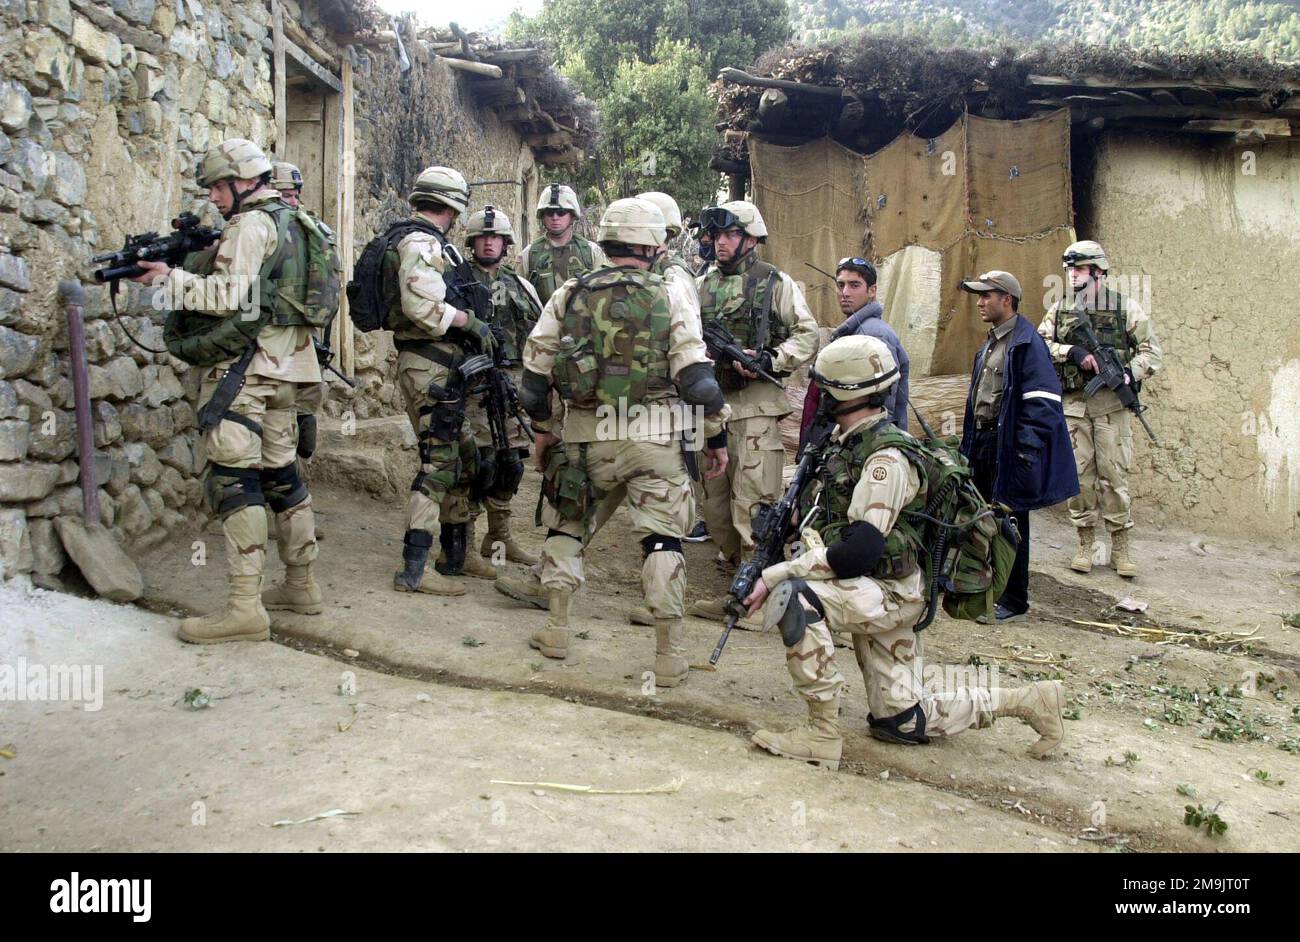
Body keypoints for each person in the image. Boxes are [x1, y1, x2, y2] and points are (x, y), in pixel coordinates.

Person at [743, 335, 1067, 767]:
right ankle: (1029, 700)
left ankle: (820, 733)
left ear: (846, 393)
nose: (816, 398)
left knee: (796, 597)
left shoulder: (886, 458)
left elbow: (858, 552)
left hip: (891, 592)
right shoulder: (844, 443)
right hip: (876, 586)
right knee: (901, 722)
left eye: (823, 389)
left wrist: (778, 573)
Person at [496, 197, 730, 687]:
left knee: (568, 526)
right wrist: (716, 436)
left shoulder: (569, 292)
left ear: (603, 241)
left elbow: (534, 380)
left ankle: (556, 631)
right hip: (655, 435)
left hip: (588, 433)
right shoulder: (671, 292)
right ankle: (667, 657)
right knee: (663, 538)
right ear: (654, 245)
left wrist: (543, 432)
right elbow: (698, 381)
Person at [131, 139, 329, 642]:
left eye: (220, 186)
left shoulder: (250, 224)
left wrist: (167, 279)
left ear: (245, 182)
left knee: (232, 479)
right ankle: (301, 585)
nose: (215, 197)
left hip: (247, 372)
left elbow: (224, 297)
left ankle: (244, 610)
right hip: (293, 370)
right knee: (284, 475)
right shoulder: (298, 222)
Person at [688, 200, 819, 622]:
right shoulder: (699, 284)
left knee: (754, 502)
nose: (720, 243)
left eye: (729, 235)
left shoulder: (774, 283)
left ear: (750, 239)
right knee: (713, 502)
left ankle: (753, 602)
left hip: (756, 407)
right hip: (710, 407)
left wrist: (769, 359)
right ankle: (738, 573)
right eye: (717, 235)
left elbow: (806, 332)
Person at [385, 166, 500, 596]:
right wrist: (470, 322)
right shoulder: (420, 242)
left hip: (440, 367)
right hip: (429, 366)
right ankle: (415, 568)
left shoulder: (428, 241)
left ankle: (456, 555)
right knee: (438, 463)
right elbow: (421, 307)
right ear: (451, 206)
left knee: (463, 459)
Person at [958, 271, 1079, 623]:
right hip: (983, 442)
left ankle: (1013, 599)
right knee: (982, 517)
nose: (980, 302)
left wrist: (1024, 452)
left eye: (986, 296)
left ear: (1006, 299)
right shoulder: (992, 343)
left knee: (1010, 522)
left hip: (1006, 445)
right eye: (979, 296)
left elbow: (1042, 403)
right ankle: (982, 588)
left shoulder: (1027, 343)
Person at [1038, 240, 1163, 578]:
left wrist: (1126, 373)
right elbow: (1040, 345)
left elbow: (1152, 353)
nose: (1072, 275)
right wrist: (1072, 353)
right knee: (1079, 479)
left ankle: (1120, 549)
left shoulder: (1126, 309)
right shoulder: (1060, 310)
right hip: (1075, 406)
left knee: (1114, 477)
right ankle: (1085, 545)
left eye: (1078, 268)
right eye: (1070, 269)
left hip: (1111, 407)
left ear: (1097, 271)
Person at [461, 205, 543, 567]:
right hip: (473, 386)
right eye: (483, 236)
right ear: (472, 241)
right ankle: (464, 539)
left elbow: (539, 333)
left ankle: (500, 536)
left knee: (512, 463)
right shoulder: (457, 281)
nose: (489, 242)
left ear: (506, 243)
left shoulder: (520, 285)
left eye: (495, 237)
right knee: (479, 464)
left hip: (511, 385)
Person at [799, 255, 910, 452]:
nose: (845, 292)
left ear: (872, 291)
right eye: (840, 284)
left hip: (861, 450)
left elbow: (882, 406)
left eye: (854, 285)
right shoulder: (852, 331)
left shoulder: (873, 335)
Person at [518, 183, 608, 305]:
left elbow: (605, 295)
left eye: (561, 212)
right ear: (543, 216)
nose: (555, 217)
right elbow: (519, 299)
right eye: (549, 212)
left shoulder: (591, 252)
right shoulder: (529, 255)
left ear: (572, 215)